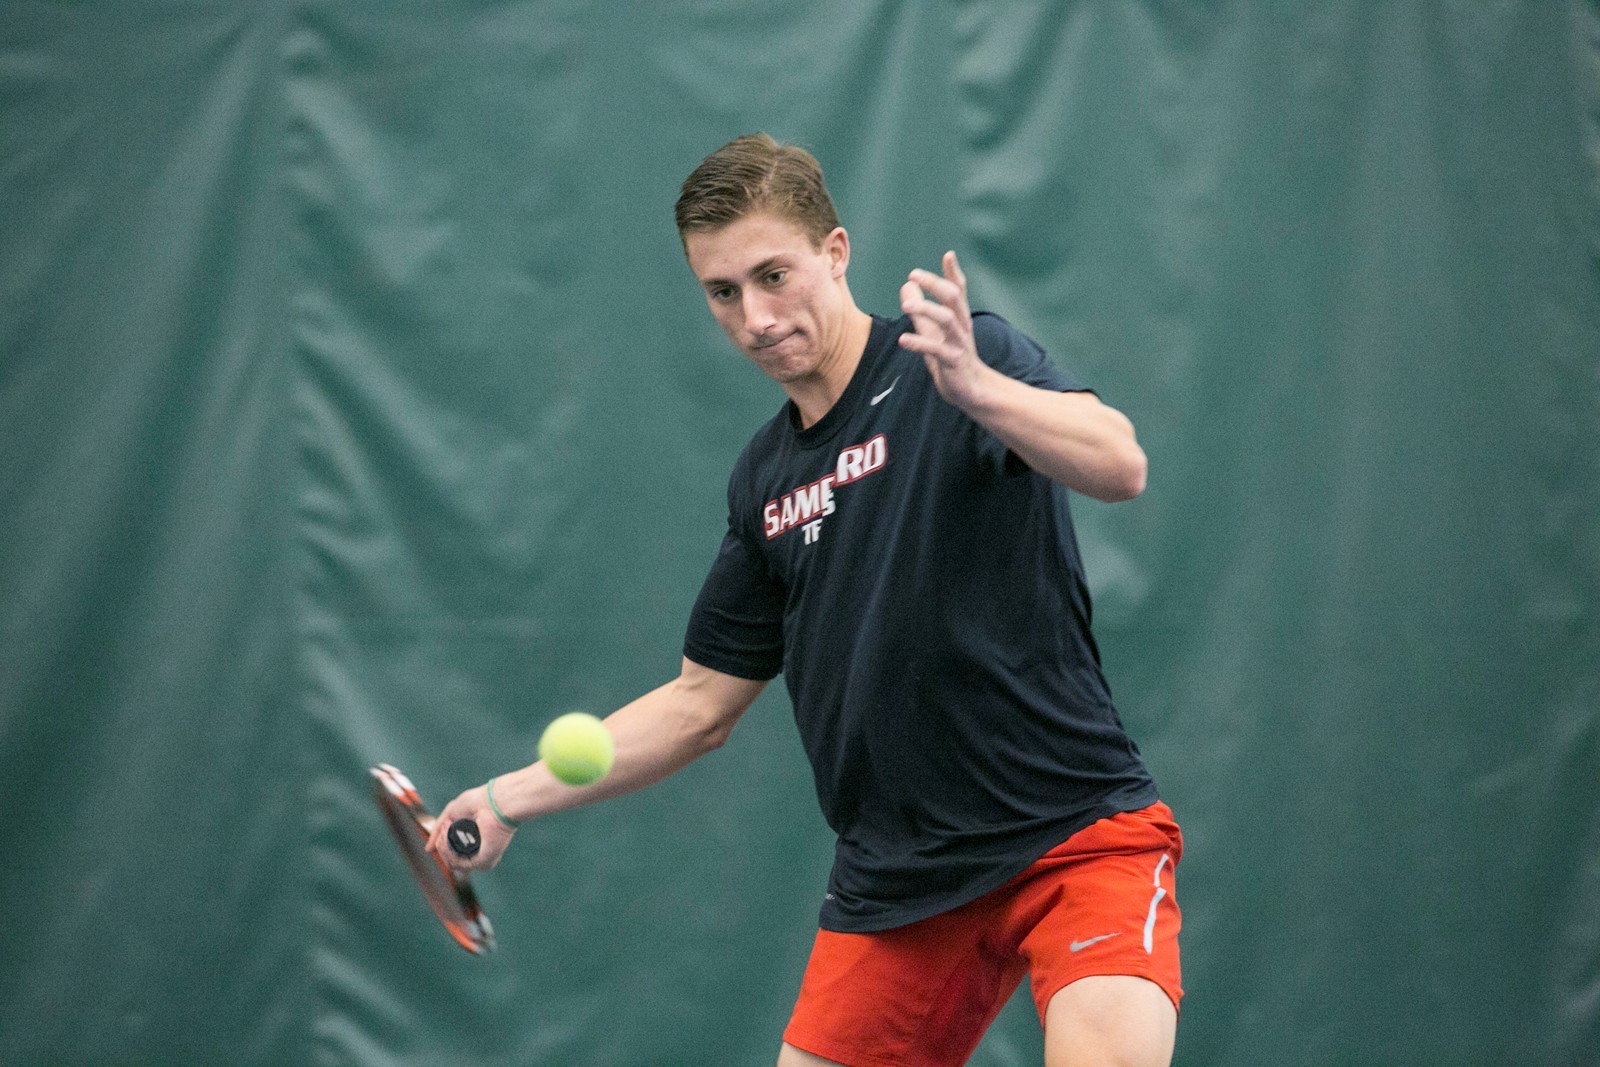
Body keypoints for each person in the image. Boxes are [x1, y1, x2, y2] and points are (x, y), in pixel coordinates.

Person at [428, 132, 1183, 1067]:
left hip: (1074, 836)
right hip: (898, 883)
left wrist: (984, 393)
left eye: (773, 275)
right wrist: (507, 800)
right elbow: (698, 706)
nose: (754, 315)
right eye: (723, 292)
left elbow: (1121, 465)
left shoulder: (964, 363)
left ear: (835, 252)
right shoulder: (764, 482)